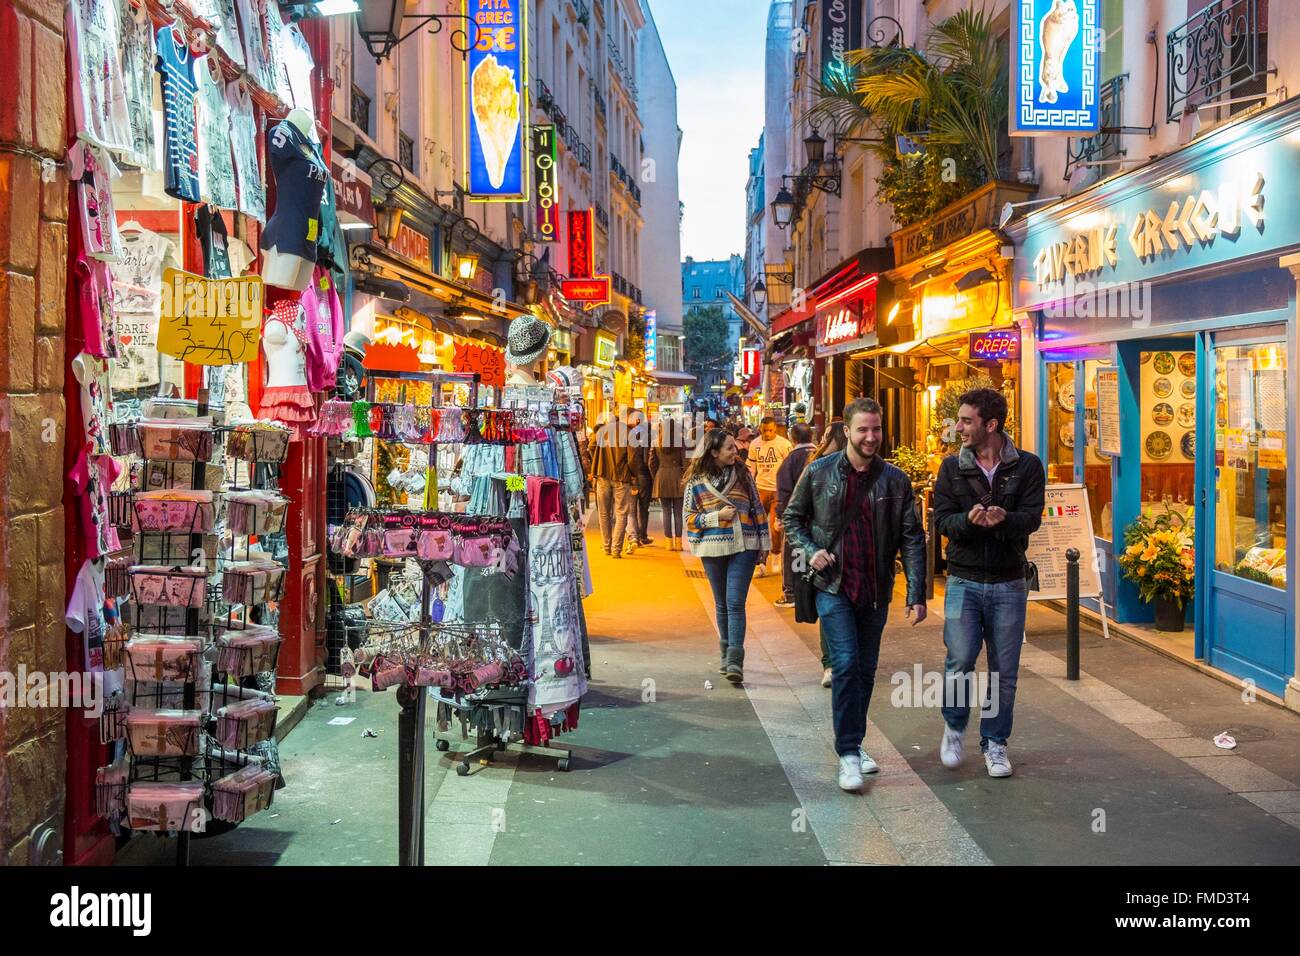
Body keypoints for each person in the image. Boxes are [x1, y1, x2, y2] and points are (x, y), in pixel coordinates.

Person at [783, 398, 927, 792]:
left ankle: (855, 742)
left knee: (864, 670)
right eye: (862, 429)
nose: (870, 437)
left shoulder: (895, 480)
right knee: (845, 664)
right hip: (834, 585)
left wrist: (917, 591)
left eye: (876, 429)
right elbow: (792, 518)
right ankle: (848, 753)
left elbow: (911, 536)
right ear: (846, 431)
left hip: (876, 589)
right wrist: (812, 552)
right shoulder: (818, 472)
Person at [932, 387, 1045, 779]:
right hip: (963, 580)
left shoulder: (1027, 466)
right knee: (960, 661)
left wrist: (1003, 519)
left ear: (991, 425)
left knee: (1004, 670)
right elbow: (941, 520)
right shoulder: (951, 468)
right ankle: (954, 726)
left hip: (1009, 582)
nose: (959, 427)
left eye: (966, 420)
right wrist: (967, 521)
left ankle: (995, 743)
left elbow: (1032, 517)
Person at [684, 428, 771, 684]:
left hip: (744, 545)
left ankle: (735, 660)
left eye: (735, 447)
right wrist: (715, 517)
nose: (736, 451)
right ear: (714, 452)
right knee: (721, 603)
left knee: (735, 602)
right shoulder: (696, 482)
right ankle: (725, 653)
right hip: (712, 547)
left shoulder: (743, 474)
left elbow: (757, 508)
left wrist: (764, 543)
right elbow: (688, 519)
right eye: (730, 448)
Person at [806, 419, 848, 685]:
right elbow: (797, 512)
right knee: (830, 607)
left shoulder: (872, 470)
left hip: (855, 552)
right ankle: (831, 663)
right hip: (826, 551)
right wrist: (810, 547)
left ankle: (838, 662)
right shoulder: (817, 468)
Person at [773, 422, 816, 611]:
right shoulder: (823, 456)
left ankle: (793, 593)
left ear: (793, 438)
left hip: (797, 518)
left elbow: (784, 491)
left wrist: (780, 516)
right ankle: (811, 590)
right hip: (819, 518)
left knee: (794, 553)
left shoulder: (790, 460)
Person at [749, 416, 793, 578]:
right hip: (760, 489)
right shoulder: (754, 444)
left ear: (775, 429)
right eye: (765, 430)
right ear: (760, 429)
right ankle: (760, 562)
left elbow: (790, 467)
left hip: (778, 491)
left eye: (771, 430)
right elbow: (751, 468)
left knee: (775, 526)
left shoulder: (784, 444)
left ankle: (775, 554)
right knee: (758, 527)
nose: (767, 433)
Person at [590, 409, 637, 558]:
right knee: (621, 512)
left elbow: (591, 447)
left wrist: (598, 461)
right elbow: (632, 458)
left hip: (602, 474)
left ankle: (606, 547)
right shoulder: (629, 433)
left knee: (604, 513)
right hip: (622, 477)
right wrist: (634, 476)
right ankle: (616, 549)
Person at [650, 417, 686, 551]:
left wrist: (657, 475)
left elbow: (651, 463)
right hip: (678, 478)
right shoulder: (680, 442)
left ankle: (668, 543)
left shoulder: (656, 442)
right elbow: (685, 462)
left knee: (666, 512)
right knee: (678, 513)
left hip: (662, 476)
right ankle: (679, 543)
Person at [628, 409, 655, 548]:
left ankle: (634, 536)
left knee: (632, 508)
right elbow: (647, 459)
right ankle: (642, 535)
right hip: (644, 476)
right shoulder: (648, 435)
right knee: (643, 507)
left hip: (631, 476)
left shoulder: (628, 434)